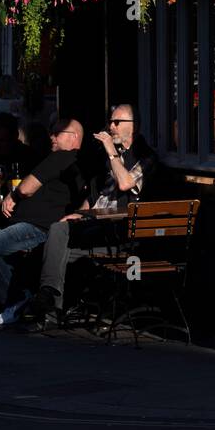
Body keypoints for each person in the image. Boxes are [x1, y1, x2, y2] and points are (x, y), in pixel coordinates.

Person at [18, 106, 158, 327]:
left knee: (57, 244)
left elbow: (126, 183)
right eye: (110, 122)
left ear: (134, 127)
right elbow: (95, 196)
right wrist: (78, 213)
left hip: (120, 233)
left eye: (116, 122)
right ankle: (48, 299)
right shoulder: (109, 158)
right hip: (96, 226)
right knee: (58, 232)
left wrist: (111, 152)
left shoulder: (145, 157)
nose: (111, 126)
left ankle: (48, 305)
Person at [0, 120, 88, 311]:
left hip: (36, 227)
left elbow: (26, 188)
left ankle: (17, 302)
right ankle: (13, 299)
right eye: (52, 132)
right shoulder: (77, 163)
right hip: (39, 226)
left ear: (74, 136)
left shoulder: (61, 157)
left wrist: (13, 195)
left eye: (57, 133)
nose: (52, 137)